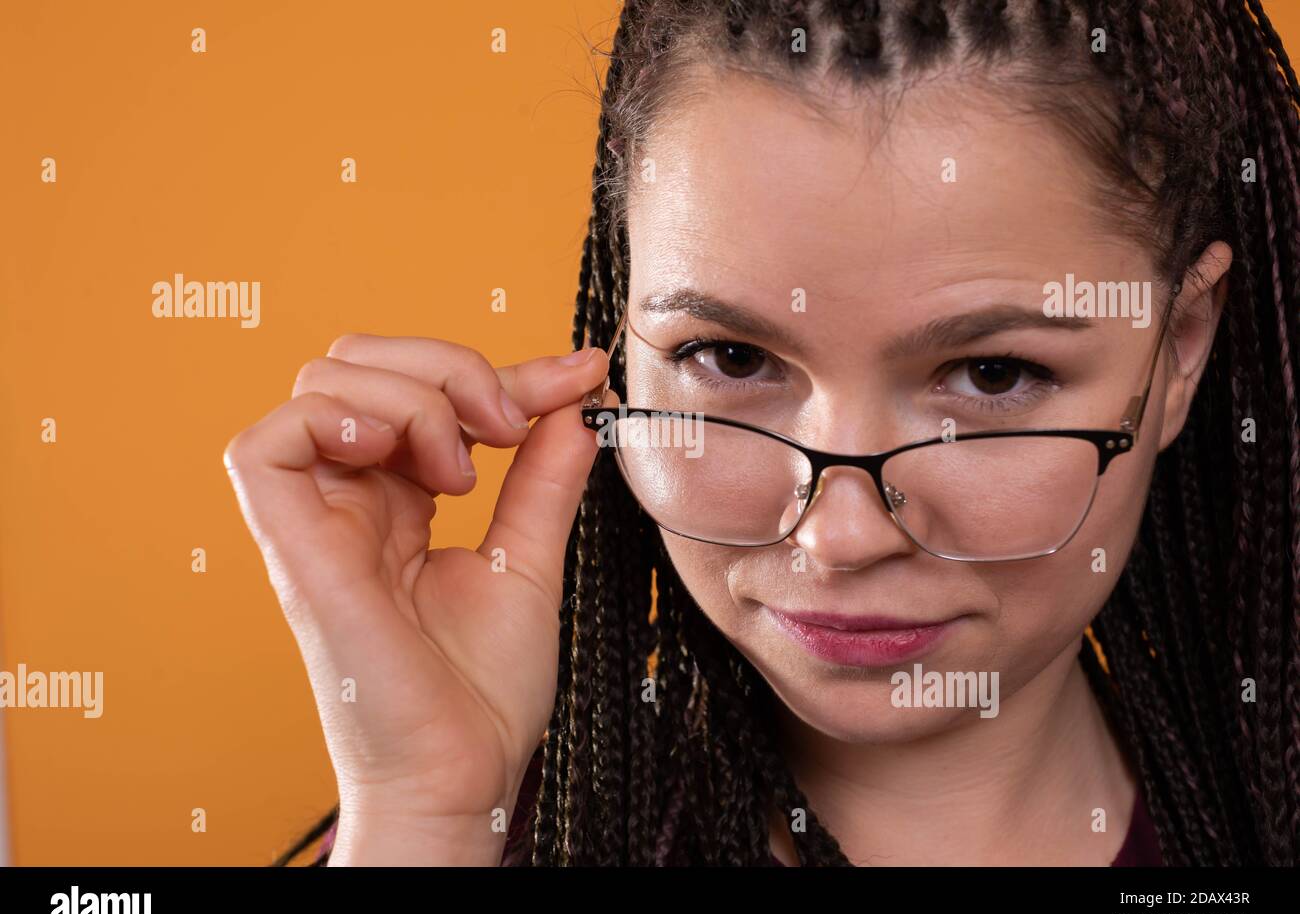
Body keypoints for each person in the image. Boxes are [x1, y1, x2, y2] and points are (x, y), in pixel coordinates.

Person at [224, 0, 1300, 866]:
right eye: (728, 359)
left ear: (1180, 349)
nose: (839, 537)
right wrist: (424, 819)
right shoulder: (434, 839)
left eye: (992, 372)